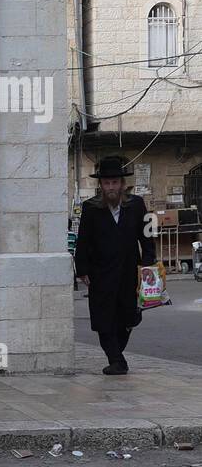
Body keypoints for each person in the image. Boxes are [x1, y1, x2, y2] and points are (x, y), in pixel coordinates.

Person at [74, 156, 157, 375]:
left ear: (122, 184)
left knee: (129, 316)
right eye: (106, 183)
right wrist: (82, 269)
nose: (111, 187)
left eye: (114, 183)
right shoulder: (90, 208)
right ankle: (117, 360)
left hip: (130, 271)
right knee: (103, 317)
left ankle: (116, 354)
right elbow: (83, 240)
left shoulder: (137, 205)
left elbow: (148, 237)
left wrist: (149, 266)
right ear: (100, 185)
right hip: (101, 273)